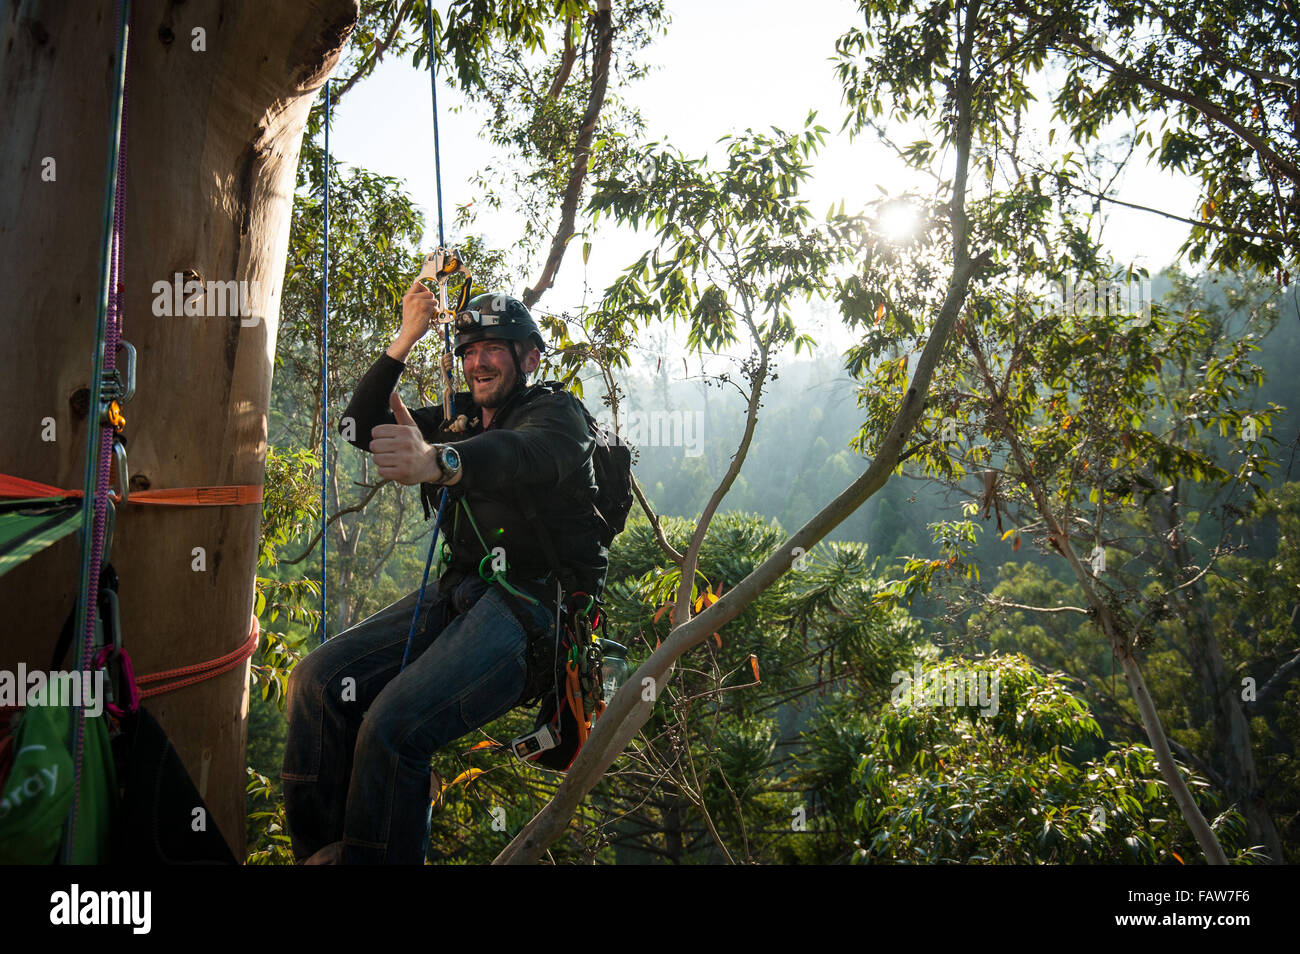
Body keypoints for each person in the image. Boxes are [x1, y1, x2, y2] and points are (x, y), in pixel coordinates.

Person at [281, 281, 608, 864]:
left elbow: (519, 456)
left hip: (531, 612)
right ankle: (324, 853)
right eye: (469, 349)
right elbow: (359, 428)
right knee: (316, 681)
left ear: (529, 358)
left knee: (393, 728)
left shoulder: (558, 416)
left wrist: (439, 461)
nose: (478, 360)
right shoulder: (461, 417)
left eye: (496, 347)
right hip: (461, 593)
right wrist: (405, 337)